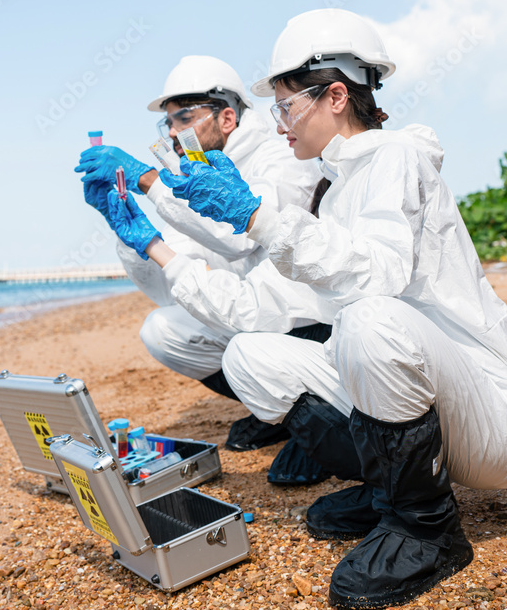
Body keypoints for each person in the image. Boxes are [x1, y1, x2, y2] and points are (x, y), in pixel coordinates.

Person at [103, 9, 507, 609]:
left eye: (286, 106)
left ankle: (426, 528)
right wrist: (152, 246)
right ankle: (390, 488)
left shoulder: (396, 158)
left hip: (494, 425)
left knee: (371, 320)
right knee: (250, 356)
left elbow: (378, 272)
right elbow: (256, 306)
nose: (280, 123)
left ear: (335, 96)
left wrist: (257, 217)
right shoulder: (334, 191)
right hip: (433, 407)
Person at [76, 55, 332, 479]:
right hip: (254, 311)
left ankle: (316, 419)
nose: (173, 133)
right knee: (163, 329)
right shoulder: (189, 170)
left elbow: (240, 233)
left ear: (227, 117)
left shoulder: (282, 155)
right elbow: (164, 287)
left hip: (309, 319)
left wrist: (148, 181)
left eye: (184, 118)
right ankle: (282, 415)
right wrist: (129, 232)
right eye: (168, 124)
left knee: (246, 351)